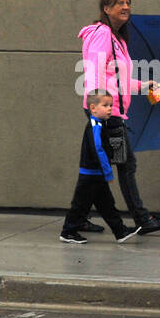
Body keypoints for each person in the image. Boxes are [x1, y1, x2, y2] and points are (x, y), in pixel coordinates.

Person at [72, 0, 160, 235]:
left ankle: (77, 220)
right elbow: (94, 70)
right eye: (119, 3)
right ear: (106, 9)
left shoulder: (117, 38)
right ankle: (141, 218)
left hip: (107, 109)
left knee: (94, 169)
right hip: (106, 112)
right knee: (126, 164)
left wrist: (143, 86)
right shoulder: (102, 34)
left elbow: (116, 77)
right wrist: (99, 108)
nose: (126, 7)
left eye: (128, 2)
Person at [60, 90, 141, 244]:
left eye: (111, 105)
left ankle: (120, 231)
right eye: (105, 105)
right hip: (90, 175)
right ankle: (68, 232)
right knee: (80, 205)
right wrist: (108, 172)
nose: (110, 108)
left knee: (107, 205)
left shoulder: (101, 125)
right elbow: (98, 149)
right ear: (93, 108)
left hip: (96, 174)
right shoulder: (95, 126)